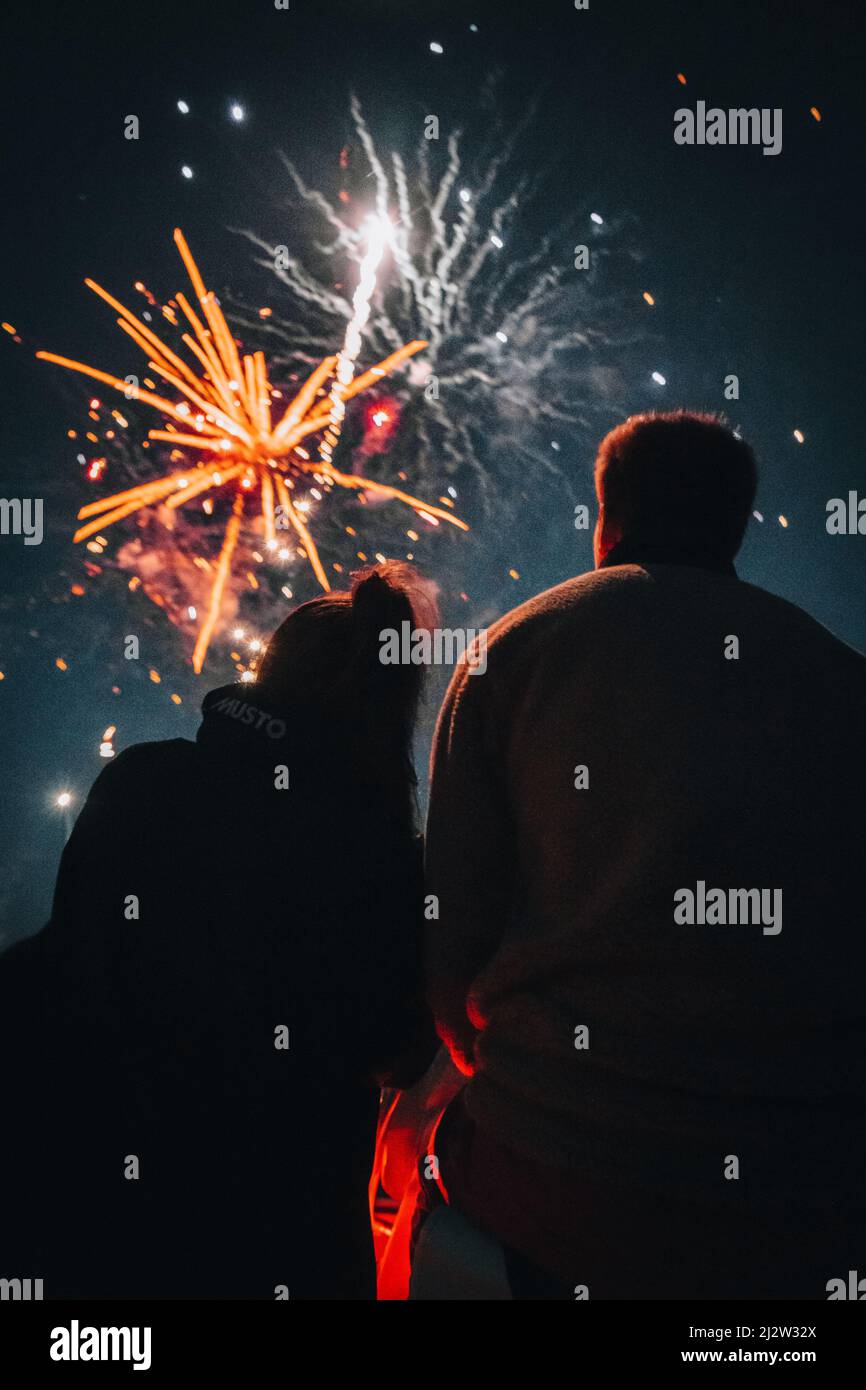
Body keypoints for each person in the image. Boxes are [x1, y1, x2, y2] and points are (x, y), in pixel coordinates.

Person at [423, 411, 866, 1299]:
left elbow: (449, 945)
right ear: (737, 523)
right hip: (801, 1187)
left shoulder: (513, 652)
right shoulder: (840, 677)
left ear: (606, 519)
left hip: (552, 1170)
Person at [3, 562, 438, 1299]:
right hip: (279, 1236)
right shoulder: (378, 853)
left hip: (93, 1209)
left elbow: (75, 966)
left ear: (268, 668)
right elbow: (393, 1049)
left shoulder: (143, 780)